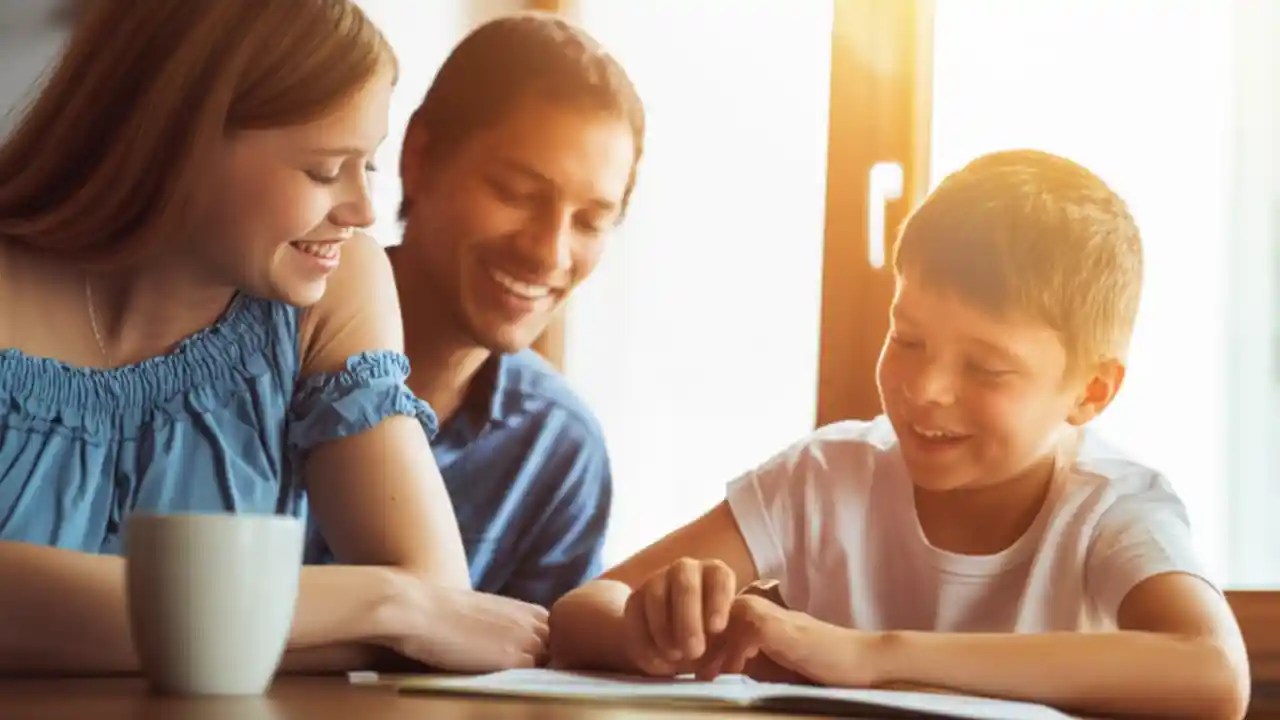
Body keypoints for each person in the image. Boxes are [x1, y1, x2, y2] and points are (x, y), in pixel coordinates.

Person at [549, 150, 1251, 719]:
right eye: (908, 338)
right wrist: (659, 629)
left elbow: (1215, 675)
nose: (926, 387)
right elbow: (584, 610)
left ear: (1091, 391)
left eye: (986, 367)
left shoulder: (1112, 508)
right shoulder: (827, 476)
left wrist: (870, 656)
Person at [0, 0, 545, 674]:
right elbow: (415, 610)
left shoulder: (332, 287)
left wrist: (401, 608)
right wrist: (381, 601)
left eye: (367, 165)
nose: (362, 210)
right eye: (323, 170)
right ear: (174, 141)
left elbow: (438, 603)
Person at [373, 13, 645, 607]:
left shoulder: (555, 448)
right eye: (518, 194)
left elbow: (533, 681)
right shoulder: (238, 366)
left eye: (590, 222)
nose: (549, 252)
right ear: (418, 158)